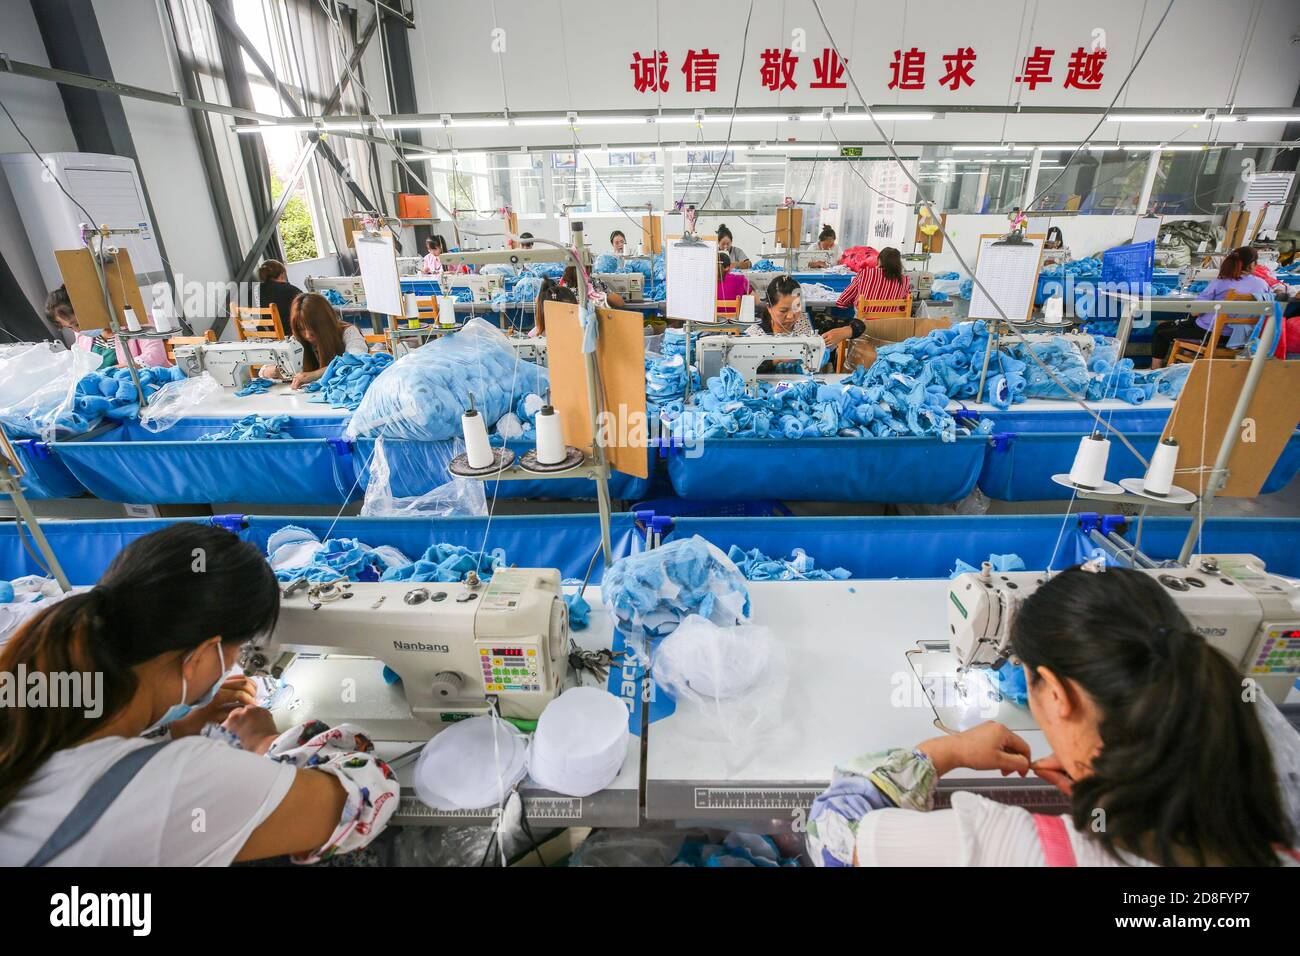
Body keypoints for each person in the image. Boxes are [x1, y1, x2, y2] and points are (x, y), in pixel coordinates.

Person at [805, 565, 1299, 867]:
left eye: (1025, 672)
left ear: (1059, 695)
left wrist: (942, 752)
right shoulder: (1276, 832)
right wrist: (1115, 786)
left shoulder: (1003, 848)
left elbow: (830, 831)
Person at [0, 524, 398, 866]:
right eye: (235, 652)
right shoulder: (179, 780)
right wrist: (265, 743)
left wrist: (167, 732)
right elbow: (363, 800)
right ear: (203, 655)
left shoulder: (32, 699)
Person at [1150, 248, 1274, 367]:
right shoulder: (1262, 284)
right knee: (1188, 325)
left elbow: (1195, 312)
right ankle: (1185, 363)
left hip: (1211, 334)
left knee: (1161, 330)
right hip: (1242, 337)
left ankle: (1155, 370)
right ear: (1252, 265)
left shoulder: (1221, 282)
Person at [260, 292, 366, 387]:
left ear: (326, 323)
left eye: (313, 328)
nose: (307, 335)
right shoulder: (296, 341)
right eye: (301, 329)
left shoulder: (348, 332)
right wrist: (275, 371)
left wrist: (314, 375)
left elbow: (356, 359)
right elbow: (262, 370)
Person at [747, 275, 863, 355]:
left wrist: (846, 331)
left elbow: (859, 325)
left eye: (796, 308)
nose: (791, 316)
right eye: (783, 311)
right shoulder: (756, 333)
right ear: (769, 307)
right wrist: (779, 359)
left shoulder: (810, 321)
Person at [836, 246, 912, 315]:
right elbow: (904, 307)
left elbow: (844, 299)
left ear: (879, 260)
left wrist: (844, 303)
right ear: (898, 263)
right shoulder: (904, 280)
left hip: (864, 324)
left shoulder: (865, 273)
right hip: (890, 325)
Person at [256, 260, 304, 332]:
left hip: (263, 338)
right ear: (282, 274)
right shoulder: (291, 290)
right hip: (287, 336)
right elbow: (306, 312)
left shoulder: (252, 292)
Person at [560, 264, 624, 309]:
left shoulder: (596, 282)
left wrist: (602, 297)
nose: (587, 271)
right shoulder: (562, 288)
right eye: (585, 268)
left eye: (588, 268)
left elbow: (620, 303)